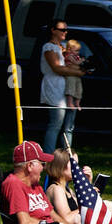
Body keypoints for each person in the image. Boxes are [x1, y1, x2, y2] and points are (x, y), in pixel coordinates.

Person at [40, 21, 83, 153]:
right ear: (53, 30)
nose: (65, 32)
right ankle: (49, 156)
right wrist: (78, 72)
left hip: (69, 88)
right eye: (62, 29)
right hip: (54, 87)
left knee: (69, 126)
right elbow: (57, 68)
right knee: (55, 124)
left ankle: (68, 156)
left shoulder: (65, 47)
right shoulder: (49, 47)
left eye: (66, 30)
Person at [62, 38, 85, 149]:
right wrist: (82, 61)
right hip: (70, 76)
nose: (77, 53)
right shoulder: (69, 56)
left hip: (76, 77)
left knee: (79, 90)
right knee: (70, 90)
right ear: (70, 50)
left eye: (78, 51)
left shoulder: (75, 56)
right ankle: (70, 102)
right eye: (76, 51)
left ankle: (77, 103)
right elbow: (76, 63)